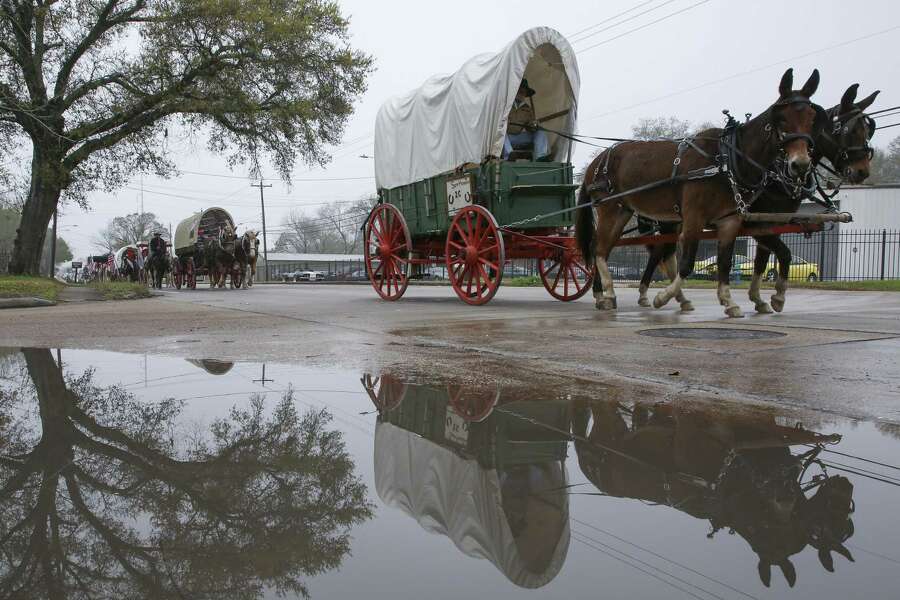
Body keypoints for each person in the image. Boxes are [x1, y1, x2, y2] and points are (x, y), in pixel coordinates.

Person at [503, 79, 550, 160]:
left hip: (517, 137)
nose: (521, 94)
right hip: (505, 137)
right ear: (515, 91)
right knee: (501, 133)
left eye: (523, 92)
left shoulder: (528, 109)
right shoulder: (506, 104)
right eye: (520, 91)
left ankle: (540, 157)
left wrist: (534, 126)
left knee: (541, 131)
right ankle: (510, 155)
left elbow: (530, 128)